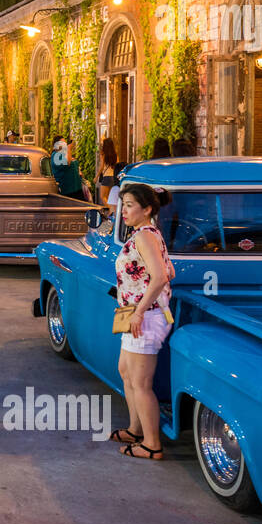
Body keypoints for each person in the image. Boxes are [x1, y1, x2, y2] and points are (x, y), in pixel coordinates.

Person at [109, 184, 176, 461]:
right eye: (122, 205)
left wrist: (139, 311)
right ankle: (136, 428)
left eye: (129, 206)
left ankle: (152, 444)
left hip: (144, 318)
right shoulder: (146, 234)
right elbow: (168, 270)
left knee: (141, 381)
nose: (123, 211)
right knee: (126, 371)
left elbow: (160, 277)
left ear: (147, 209)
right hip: (136, 314)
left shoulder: (145, 236)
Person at [96, 138, 119, 207]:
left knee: (102, 197)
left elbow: (101, 167)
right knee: (109, 198)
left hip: (106, 177)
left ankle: (111, 211)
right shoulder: (115, 155)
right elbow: (117, 166)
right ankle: (111, 212)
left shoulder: (103, 154)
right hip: (113, 177)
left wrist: (96, 177)